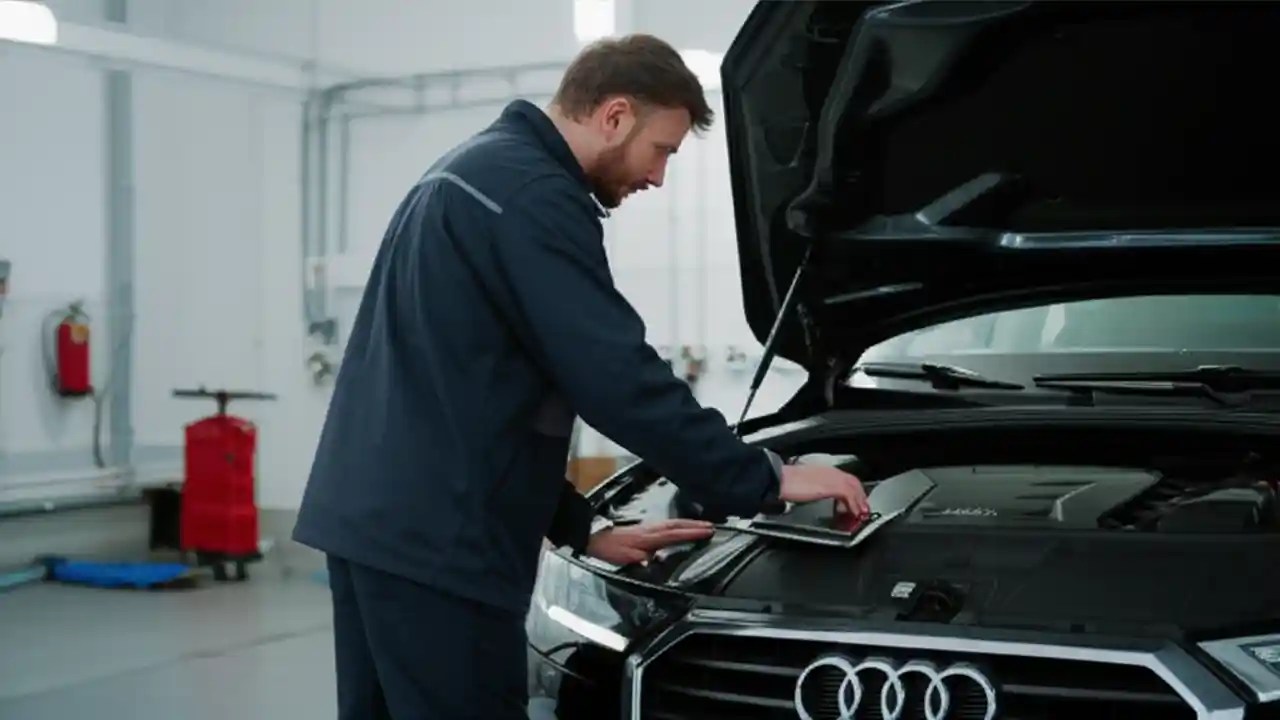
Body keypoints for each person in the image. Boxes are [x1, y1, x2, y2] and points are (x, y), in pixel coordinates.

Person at [292, 33, 869, 720]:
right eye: (662, 151)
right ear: (615, 116)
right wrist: (763, 477)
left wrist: (573, 524)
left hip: (379, 527)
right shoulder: (535, 196)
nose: (657, 177)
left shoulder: (471, 174)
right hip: (442, 546)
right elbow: (613, 375)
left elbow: (465, 391)